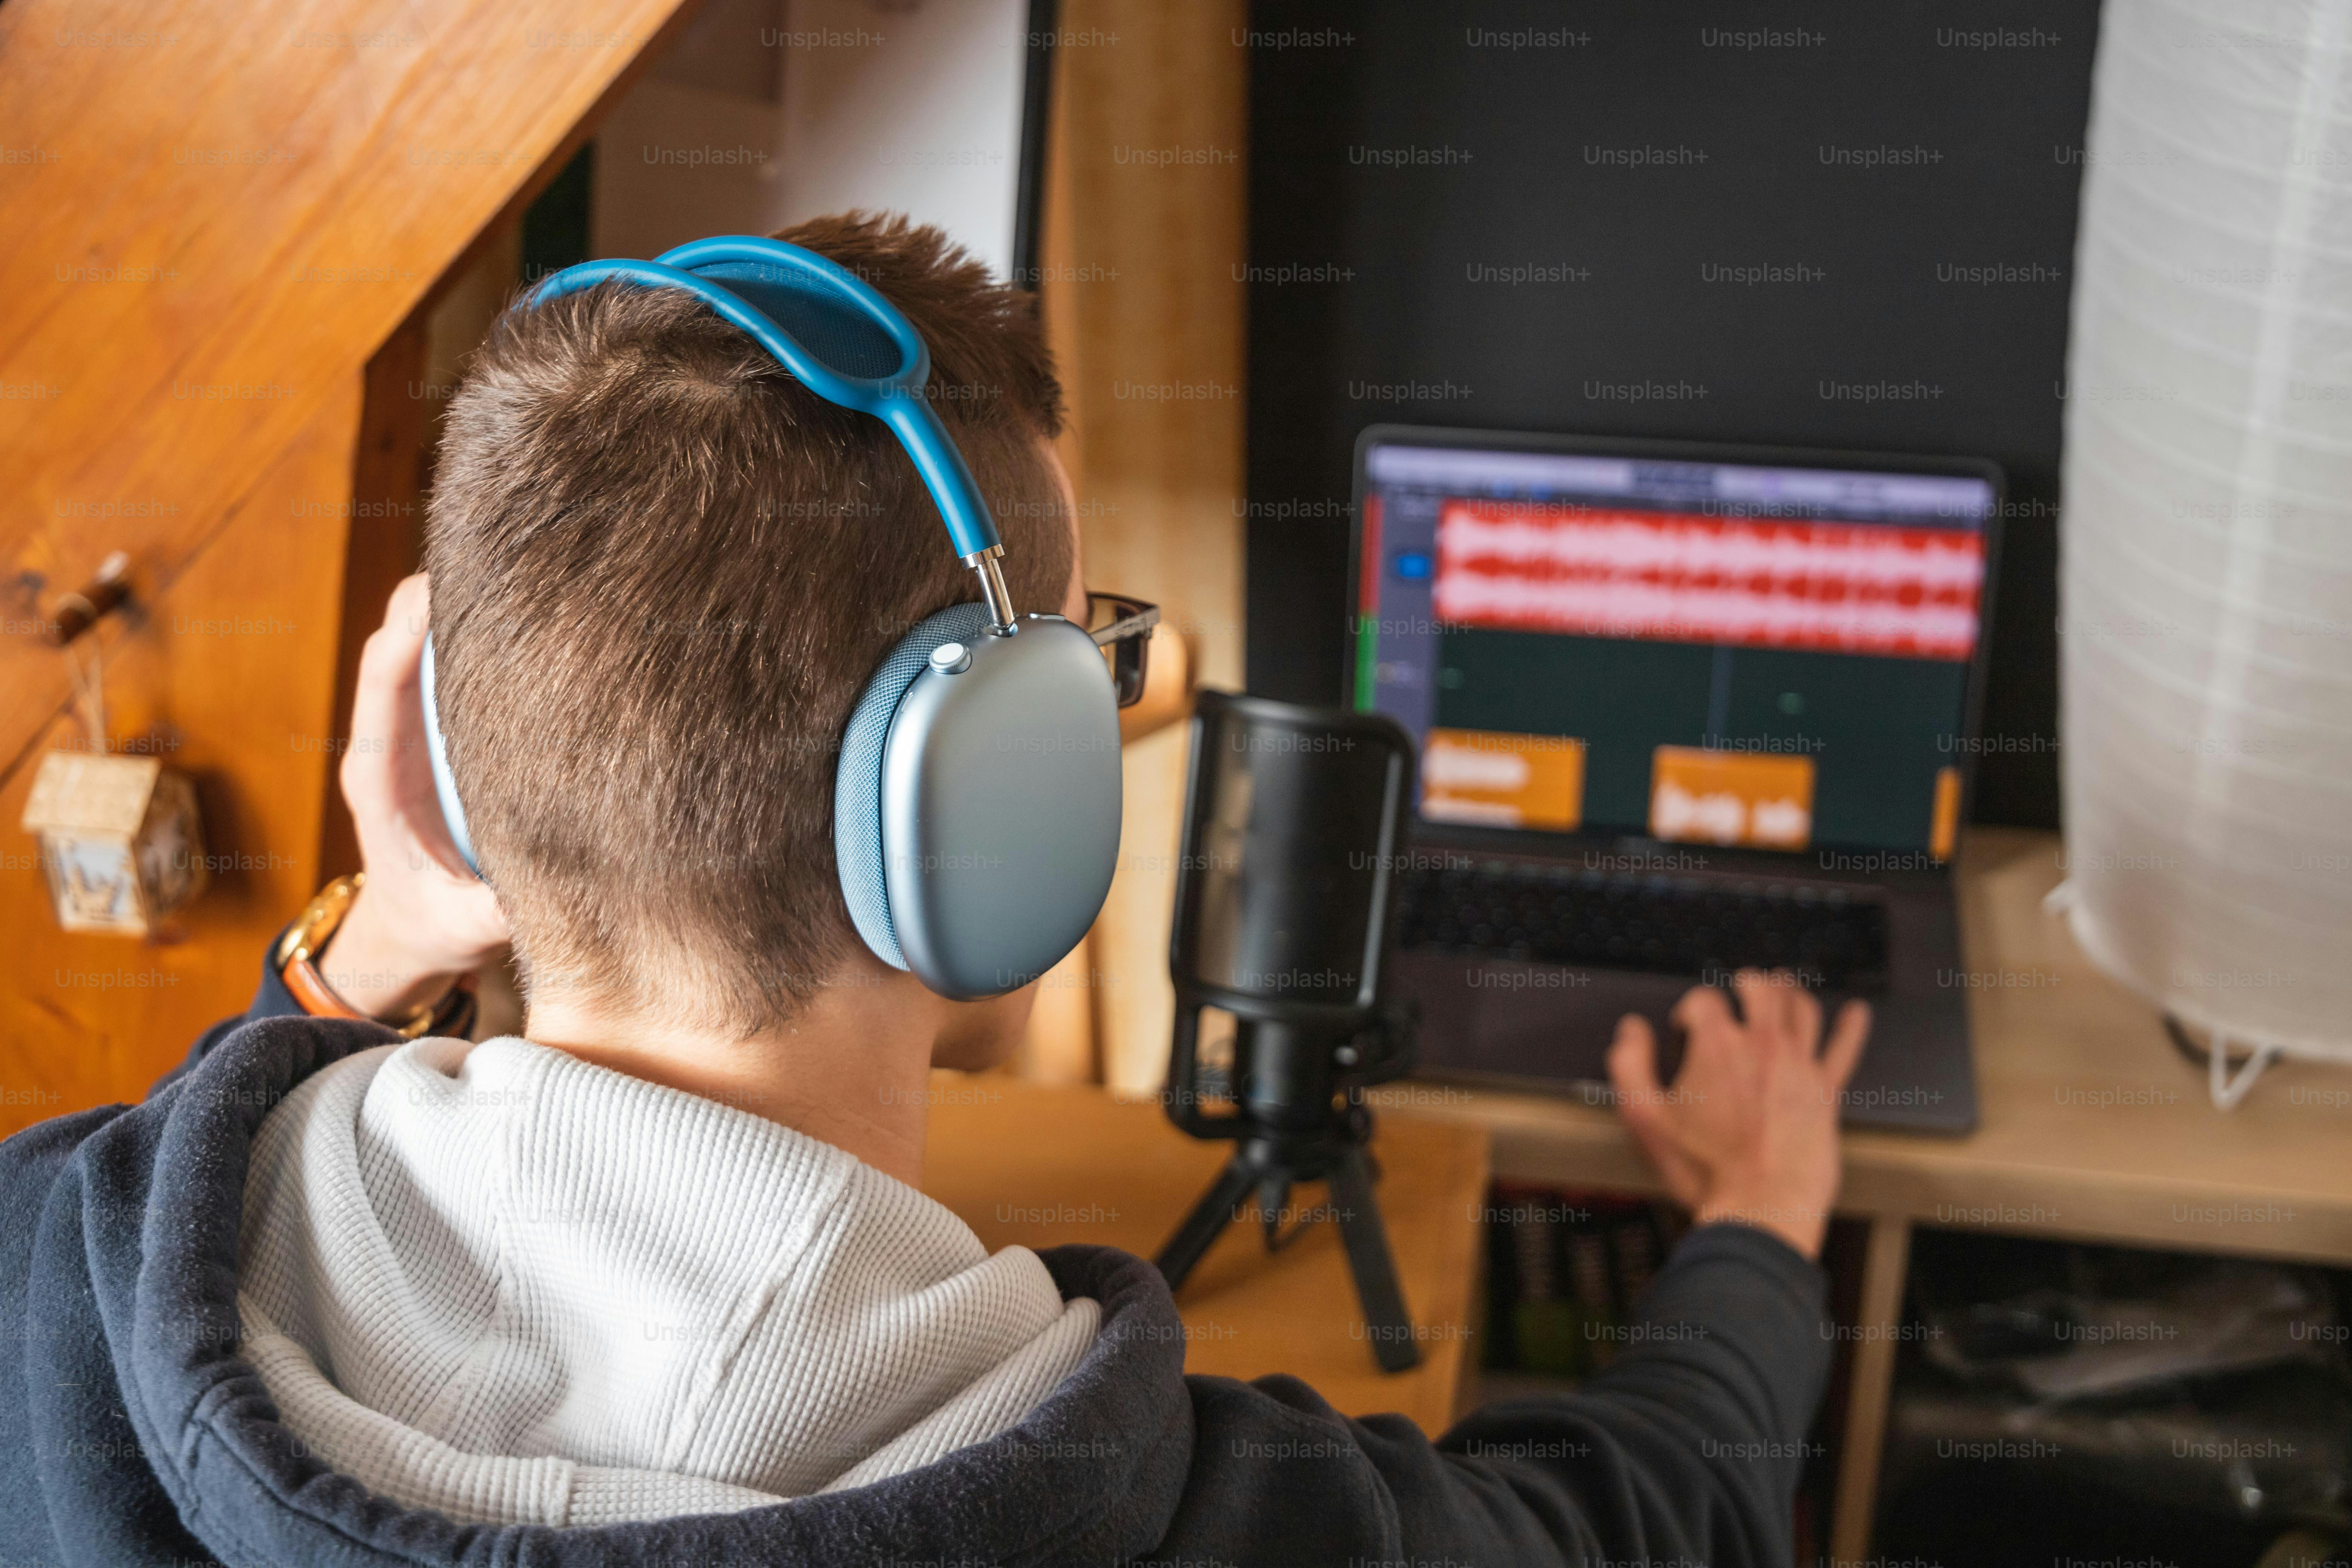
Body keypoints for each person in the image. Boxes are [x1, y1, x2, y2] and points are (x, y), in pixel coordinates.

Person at [0, 213, 1870, 1566]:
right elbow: (1655, 1513)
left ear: (456, 752)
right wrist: (1763, 1228)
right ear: (1001, 798)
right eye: (1086, 668)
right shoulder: (1213, 1522)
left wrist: (359, 964)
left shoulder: (49, 1264)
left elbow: (161, 1202)